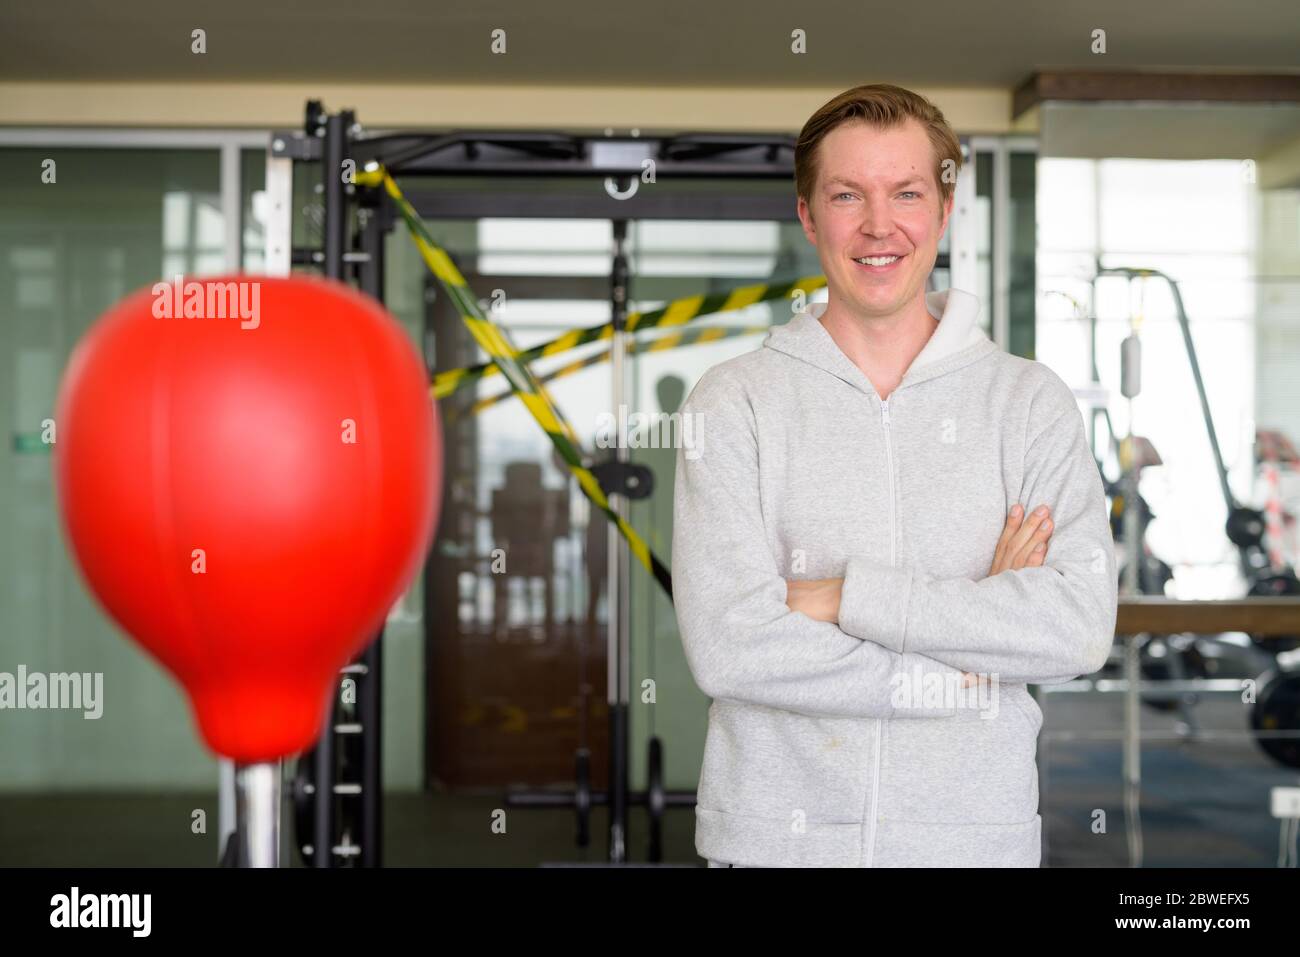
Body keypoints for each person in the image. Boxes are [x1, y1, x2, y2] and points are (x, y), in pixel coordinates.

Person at [672, 83, 1118, 868]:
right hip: (777, 845)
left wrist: (846, 597)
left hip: (974, 846)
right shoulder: (734, 400)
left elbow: (1075, 625)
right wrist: (974, 660)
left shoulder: (1027, 403)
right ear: (809, 215)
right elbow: (730, 646)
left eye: (906, 192)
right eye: (848, 195)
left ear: (943, 211)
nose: (880, 226)